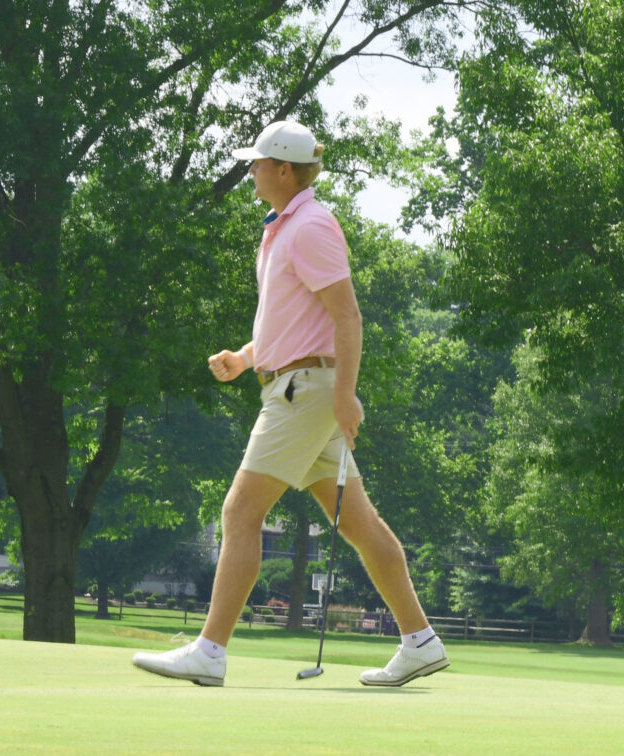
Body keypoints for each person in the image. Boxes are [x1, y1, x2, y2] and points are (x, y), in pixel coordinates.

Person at [132, 120, 447, 687]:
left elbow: (346, 316)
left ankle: (209, 651)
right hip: (296, 384)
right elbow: (295, 321)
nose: (249, 171)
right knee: (357, 521)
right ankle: (420, 640)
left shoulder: (310, 228)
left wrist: (345, 395)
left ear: (283, 169)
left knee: (239, 511)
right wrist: (247, 357)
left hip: (305, 392)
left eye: (257, 163)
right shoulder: (284, 227)